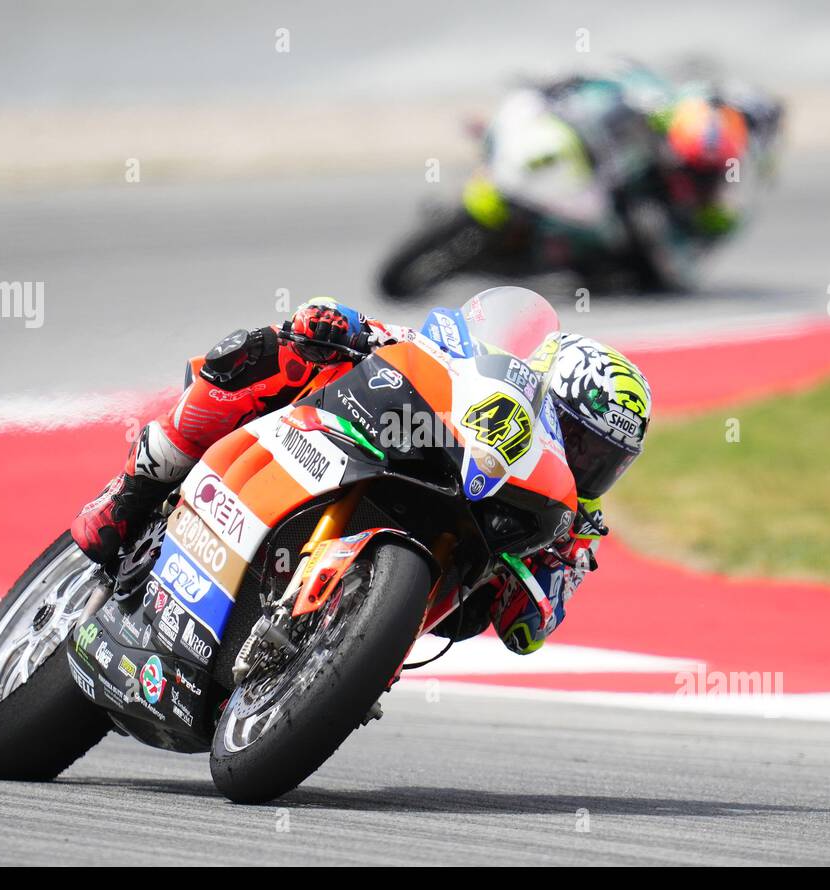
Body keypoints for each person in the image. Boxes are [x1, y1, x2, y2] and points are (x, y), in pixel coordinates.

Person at [71, 294, 651, 655]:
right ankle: (132, 491)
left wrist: (536, 576)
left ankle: (327, 658)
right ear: (541, 387)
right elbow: (420, 345)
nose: (585, 462)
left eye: (604, 459)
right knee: (269, 352)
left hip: (439, 558)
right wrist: (346, 326)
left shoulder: (571, 528)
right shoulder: (485, 383)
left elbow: (527, 633)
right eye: (577, 438)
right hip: (396, 441)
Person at [481, 62, 782, 289]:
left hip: (620, 238)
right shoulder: (670, 111)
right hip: (593, 168)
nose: (697, 179)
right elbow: (621, 78)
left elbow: (682, 268)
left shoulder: (727, 195)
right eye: (691, 170)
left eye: (703, 174)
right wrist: (574, 87)